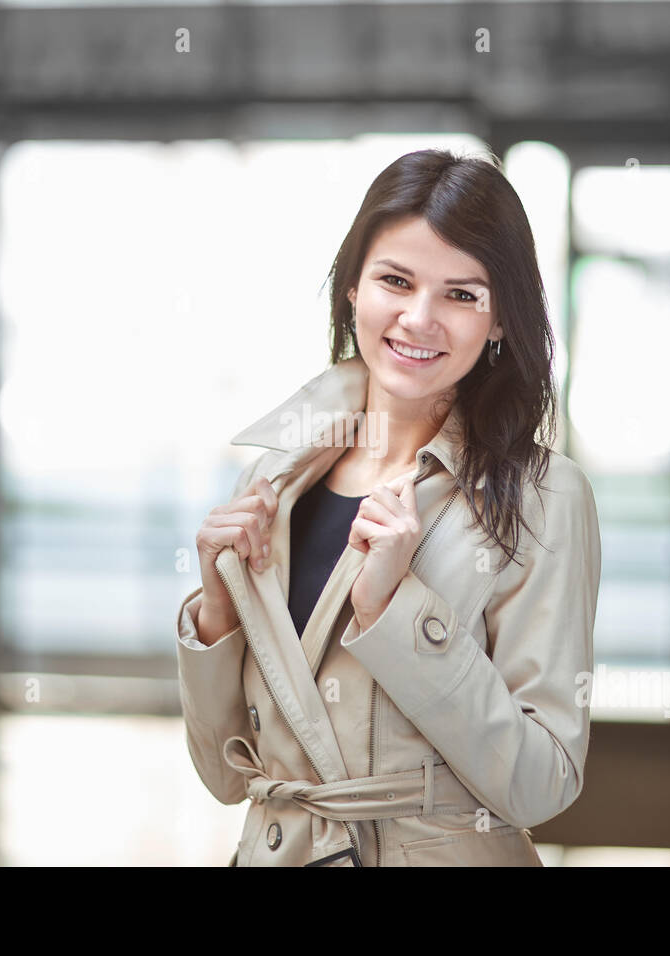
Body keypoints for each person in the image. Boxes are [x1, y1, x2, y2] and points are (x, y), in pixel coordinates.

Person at [175, 147, 602, 866]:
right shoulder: (275, 478)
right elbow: (226, 777)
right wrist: (217, 614)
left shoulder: (544, 497)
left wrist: (394, 613)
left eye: (462, 295)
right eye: (394, 281)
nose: (419, 318)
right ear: (352, 287)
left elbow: (542, 783)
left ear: (501, 320)